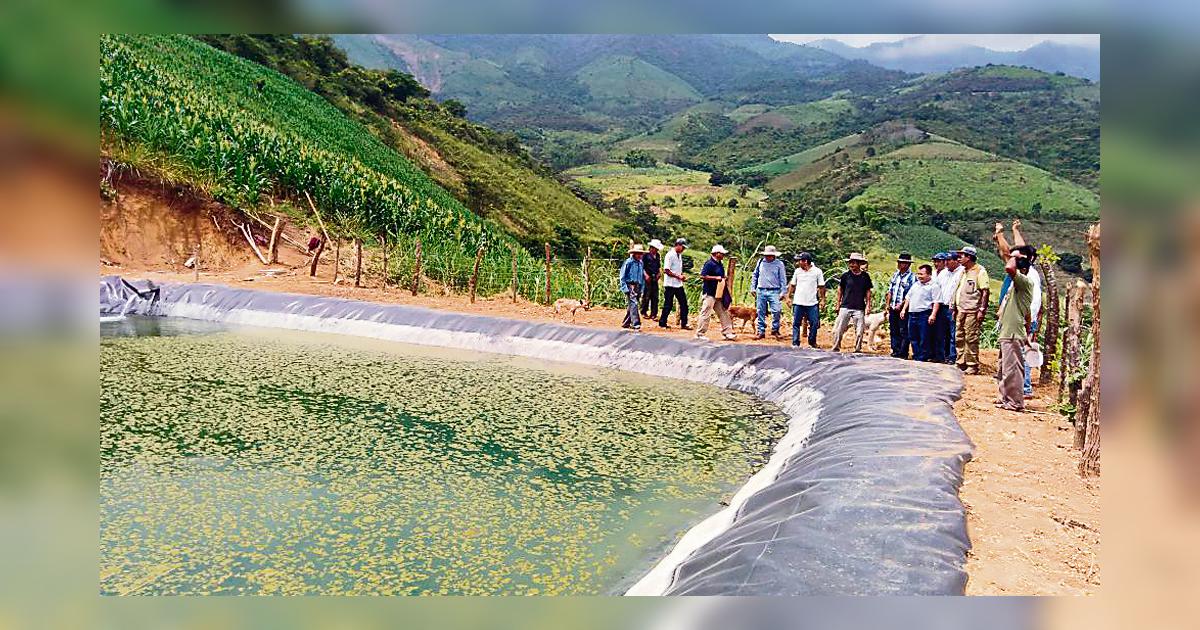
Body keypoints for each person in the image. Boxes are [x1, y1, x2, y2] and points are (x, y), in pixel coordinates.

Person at [993, 220, 1043, 397]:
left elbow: (1031, 305)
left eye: (1016, 257)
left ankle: (1024, 388)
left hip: (1020, 322)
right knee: (1009, 358)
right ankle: (1011, 391)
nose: (1010, 259)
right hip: (1014, 321)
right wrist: (1013, 230)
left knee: (1020, 355)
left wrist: (1000, 234)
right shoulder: (1021, 274)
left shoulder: (1027, 277)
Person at [996, 244, 1037, 411]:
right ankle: (1005, 398)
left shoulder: (1025, 281)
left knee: (1012, 369)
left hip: (1012, 333)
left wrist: (1014, 256)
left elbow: (1009, 268)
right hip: (1010, 331)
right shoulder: (1018, 285)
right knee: (1005, 368)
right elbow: (1027, 313)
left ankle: (1015, 402)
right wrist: (1026, 332)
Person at [952, 245, 991, 375]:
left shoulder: (980, 271)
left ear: (968, 257)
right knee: (959, 336)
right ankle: (960, 362)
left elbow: (985, 291)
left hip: (972, 310)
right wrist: (954, 306)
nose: (959, 258)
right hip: (961, 309)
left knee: (971, 337)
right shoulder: (963, 271)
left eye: (961, 256)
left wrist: (982, 310)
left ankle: (972, 364)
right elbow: (958, 289)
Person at [831, 252, 874, 353]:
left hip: (859, 307)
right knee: (840, 329)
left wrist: (868, 305)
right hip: (845, 306)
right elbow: (840, 290)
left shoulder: (865, 277)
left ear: (859, 264)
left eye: (854, 263)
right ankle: (836, 347)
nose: (851, 265)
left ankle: (858, 349)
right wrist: (838, 303)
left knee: (859, 331)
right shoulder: (845, 276)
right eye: (850, 263)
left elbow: (868, 291)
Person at [899, 264, 941, 362]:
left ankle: (923, 357)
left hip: (924, 314)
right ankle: (916, 355)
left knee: (924, 337)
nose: (919, 276)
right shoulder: (916, 284)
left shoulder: (934, 286)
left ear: (929, 274)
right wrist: (903, 309)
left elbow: (936, 301)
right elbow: (908, 298)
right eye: (918, 274)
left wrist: (933, 315)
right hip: (912, 314)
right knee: (912, 336)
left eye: (922, 274)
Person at [696, 244, 736, 341]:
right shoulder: (709, 264)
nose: (723, 255)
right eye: (722, 254)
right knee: (706, 312)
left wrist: (723, 278)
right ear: (716, 253)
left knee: (723, 311)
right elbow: (703, 276)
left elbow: (720, 276)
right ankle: (700, 333)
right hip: (709, 292)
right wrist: (715, 278)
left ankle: (727, 332)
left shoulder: (719, 264)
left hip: (718, 292)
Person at [786, 252, 826, 348]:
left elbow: (821, 286)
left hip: (812, 302)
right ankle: (795, 342)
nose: (798, 263)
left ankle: (812, 341)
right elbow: (792, 285)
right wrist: (788, 296)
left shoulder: (817, 272)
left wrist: (822, 299)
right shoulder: (797, 271)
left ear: (805, 261)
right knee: (796, 323)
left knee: (814, 323)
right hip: (798, 301)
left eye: (800, 260)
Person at [750, 245, 788, 340]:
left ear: (774, 255)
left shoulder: (779, 264)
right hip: (761, 290)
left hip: (774, 290)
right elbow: (755, 275)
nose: (768, 257)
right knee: (760, 311)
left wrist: (783, 292)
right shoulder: (760, 262)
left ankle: (775, 329)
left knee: (777, 310)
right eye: (766, 255)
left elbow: (783, 278)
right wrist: (753, 287)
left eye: (770, 255)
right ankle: (761, 331)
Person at [884, 253, 916, 359]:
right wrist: (888, 304)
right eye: (900, 262)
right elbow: (890, 291)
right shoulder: (895, 275)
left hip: (903, 309)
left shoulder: (912, 277)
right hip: (893, 307)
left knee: (904, 331)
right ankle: (895, 350)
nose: (900, 264)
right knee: (894, 330)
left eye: (903, 263)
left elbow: (910, 294)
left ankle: (903, 353)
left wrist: (901, 305)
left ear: (908, 264)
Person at [658, 238, 690, 330]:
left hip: (678, 284)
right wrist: (678, 276)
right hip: (670, 284)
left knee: (684, 304)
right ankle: (662, 322)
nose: (683, 249)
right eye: (683, 247)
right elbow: (666, 270)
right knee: (668, 304)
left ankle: (684, 323)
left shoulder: (679, 256)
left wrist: (681, 276)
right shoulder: (670, 255)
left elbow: (677, 269)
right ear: (678, 245)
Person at [941, 252, 964, 364]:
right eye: (945, 260)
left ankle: (952, 356)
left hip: (953, 307)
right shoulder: (944, 273)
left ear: (956, 261)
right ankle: (944, 355)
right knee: (943, 332)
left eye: (948, 260)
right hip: (942, 306)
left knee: (953, 333)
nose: (946, 263)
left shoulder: (962, 272)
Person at [619, 244, 646, 331]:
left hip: (638, 285)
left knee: (632, 304)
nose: (639, 255)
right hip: (630, 285)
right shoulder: (628, 262)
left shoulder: (641, 263)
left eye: (641, 254)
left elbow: (642, 277)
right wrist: (624, 287)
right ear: (634, 253)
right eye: (638, 253)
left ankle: (626, 323)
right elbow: (622, 275)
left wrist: (642, 288)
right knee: (634, 304)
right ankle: (636, 323)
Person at [640, 239, 663, 320]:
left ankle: (654, 314)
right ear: (651, 248)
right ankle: (644, 311)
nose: (656, 250)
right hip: (648, 277)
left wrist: (659, 273)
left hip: (655, 277)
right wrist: (645, 275)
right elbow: (642, 266)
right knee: (646, 295)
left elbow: (659, 266)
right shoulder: (645, 256)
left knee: (655, 296)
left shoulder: (658, 256)